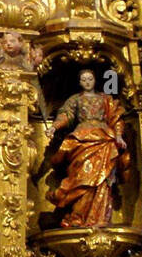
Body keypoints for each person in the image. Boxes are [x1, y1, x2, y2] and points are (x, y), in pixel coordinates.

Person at [46, 68, 129, 228]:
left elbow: (116, 118)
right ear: (79, 82)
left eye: (90, 79)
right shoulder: (75, 100)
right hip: (82, 141)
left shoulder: (105, 99)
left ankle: (100, 218)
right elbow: (66, 116)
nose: (87, 82)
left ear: (95, 80)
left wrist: (118, 136)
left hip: (105, 140)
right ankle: (78, 217)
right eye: (84, 79)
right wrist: (54, 128)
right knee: (82, 180)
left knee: (102, 182)